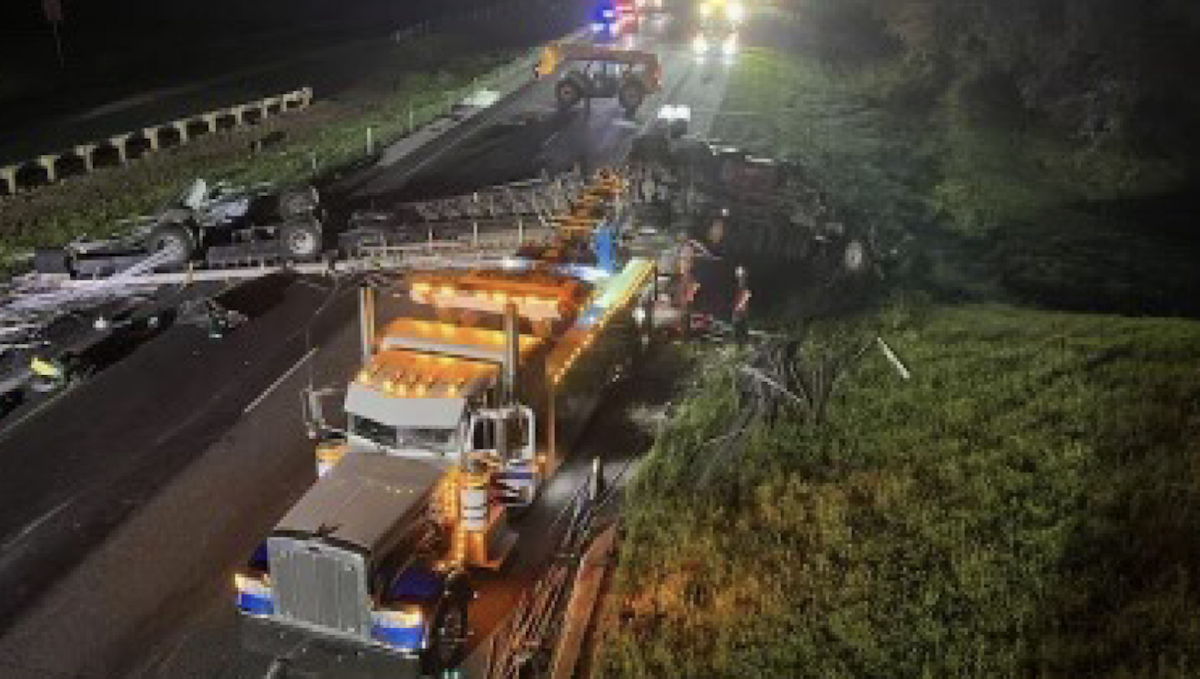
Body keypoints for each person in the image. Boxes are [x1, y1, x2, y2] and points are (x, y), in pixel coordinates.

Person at [732, 265, 751, 344]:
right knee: (737, 327)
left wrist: (739, 306)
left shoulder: (744, 287)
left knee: (742, 327)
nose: (740, 278)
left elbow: (747, 295)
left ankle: (744, 342)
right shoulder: (737, 287)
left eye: (741, 275)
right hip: (739, 310)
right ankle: (739, 343)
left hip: (742, 311)